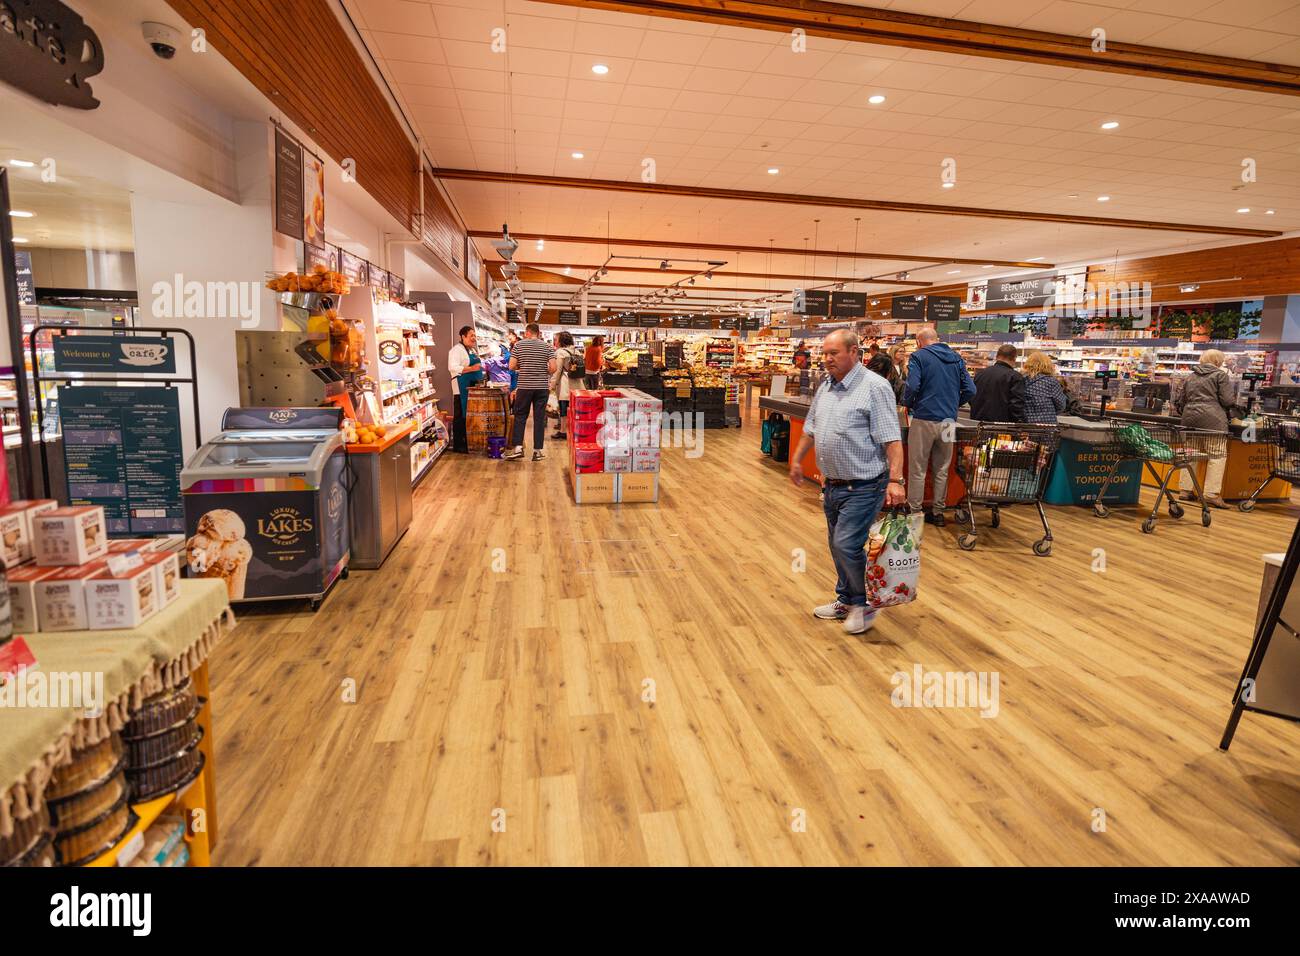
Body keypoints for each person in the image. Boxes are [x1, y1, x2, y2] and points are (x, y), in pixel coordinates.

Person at [789, 330, 906, 636]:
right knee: (836, 545)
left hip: (865, 484)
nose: (827, 359)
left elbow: (892, 440)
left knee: (846, 544)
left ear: (855, 352)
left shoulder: (875, 388)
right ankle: (846, 599)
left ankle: (863, 604)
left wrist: (895, 480)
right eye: (825, 353)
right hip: (833, 484)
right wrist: (798, 459)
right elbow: (811, 427)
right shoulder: (826, 385)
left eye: (834, 353)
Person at [903, 326, 976, 526]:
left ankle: (915, 512)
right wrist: (954, 403)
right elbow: (971, 388)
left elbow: (912, 386)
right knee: (942, 468)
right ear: (938, 339)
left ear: (919, 342)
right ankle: (938, 513)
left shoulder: (919, 357)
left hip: (924, 419)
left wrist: (907, 403)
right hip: (948, 422)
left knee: (918, 468)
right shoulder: (957, 358)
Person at [1173, 348, 1236, 509]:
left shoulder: (1191, 376)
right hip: (1213, 421)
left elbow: (1181, 400)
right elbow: (1228, 400)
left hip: (1190, 419)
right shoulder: (1220, 375)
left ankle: (1185, 490)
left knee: (1191, 454)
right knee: (1217, 455)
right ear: (1217, 361)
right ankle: (1211, 494)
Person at [505, 323, 557, 461]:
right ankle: (537, 451)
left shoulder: (519, 345)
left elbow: (511, 366)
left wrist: (524, 366)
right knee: (539, 418)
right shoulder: (547, 346)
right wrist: (542, 370)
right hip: (541, 387)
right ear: (538, 333)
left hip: (524, 387)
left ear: (527, 333)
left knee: (520, 415)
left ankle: (518, 448)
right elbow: (553, 368)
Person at [447, 325, 485, 453]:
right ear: (463, 336)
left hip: (470, 386)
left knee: (468, 414)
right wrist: (472, 369)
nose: (473, 338)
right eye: (471, 336)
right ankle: (458, 444)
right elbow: (452, 367)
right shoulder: (456, 350)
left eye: (474, 335)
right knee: (460, 415)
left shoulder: (471, 350)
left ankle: (467, 441)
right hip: (460, 386)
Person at [969, 344, 1025, 422]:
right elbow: (1016, 406)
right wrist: (1020, 425)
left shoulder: (980, 374)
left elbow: (971, 397)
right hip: (1001, 427)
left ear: (997, 356)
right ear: (1014, 358)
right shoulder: (1015, 377)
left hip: (978, 424)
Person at [551, 331, 584, 440]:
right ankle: (574, 429)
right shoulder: (577, 351)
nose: (555, 342)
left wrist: (552, 385)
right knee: (575, 409)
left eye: (556, 339)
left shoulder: (560, 352)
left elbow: (557, 370)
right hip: (578, 384)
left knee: (564, 409)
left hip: (565, 384)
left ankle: (563, 431)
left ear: (561, 341)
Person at [1022, 351, 1067, 424]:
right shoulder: (1051, 382)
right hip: (1046, 424)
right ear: (1047, 365)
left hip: (1025, 424)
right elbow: (1061, 405)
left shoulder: (1021, 380)